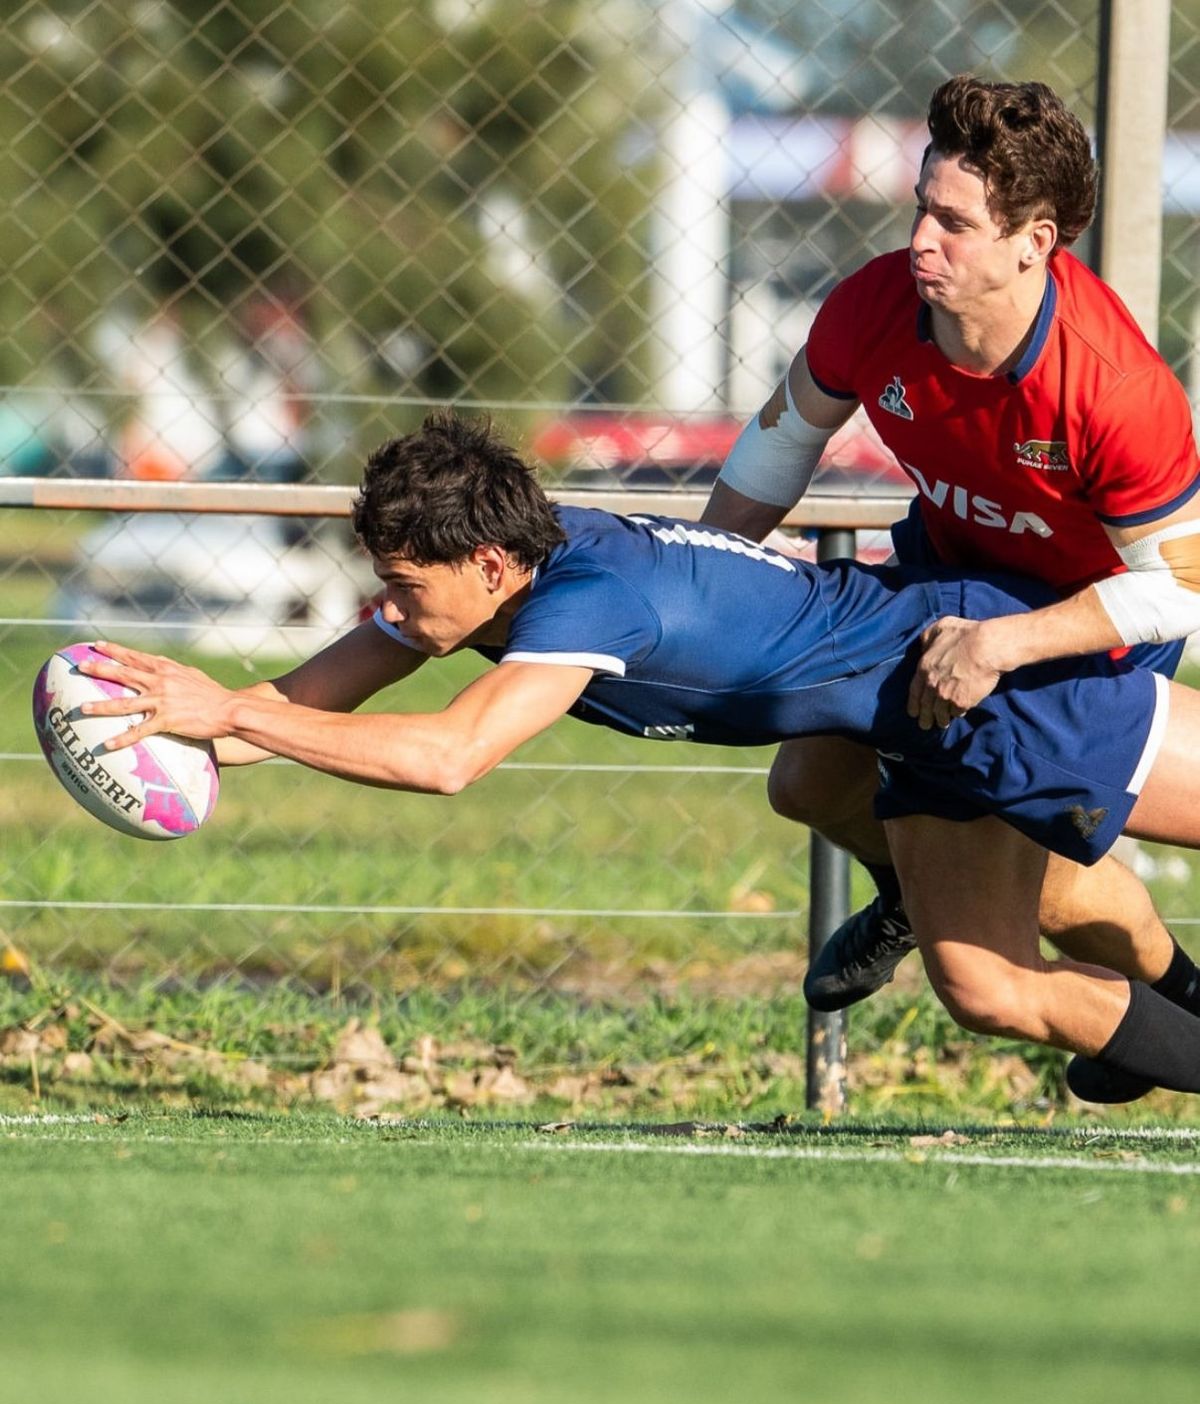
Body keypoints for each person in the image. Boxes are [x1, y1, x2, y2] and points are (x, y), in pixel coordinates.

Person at [79, 412, 1200, 1100]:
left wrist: (233, 720)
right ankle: (1143, 1011)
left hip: (981, 684)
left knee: (1008, 952)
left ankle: (1160, 1026)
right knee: (935, 911)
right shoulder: (496, 570)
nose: (388, 605)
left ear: (485, 563)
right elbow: (306, 697)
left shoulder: (589, 600)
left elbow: (449, 758)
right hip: (896, 720)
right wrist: (200, 713)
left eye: (405, 586)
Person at [700, 74, 1200, 1103]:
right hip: (946, 588)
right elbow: (775, 452)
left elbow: (1180, 591)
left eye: (955, 223)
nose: (921, 240)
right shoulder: (877, 304)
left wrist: (1006, 646)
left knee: (995, 960)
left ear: (1036, 241)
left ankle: (1156, 1012)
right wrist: (693, 587)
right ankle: (920, 894)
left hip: (1083, 631)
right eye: (922, 207)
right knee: (810, 784)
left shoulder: (1113, 386)